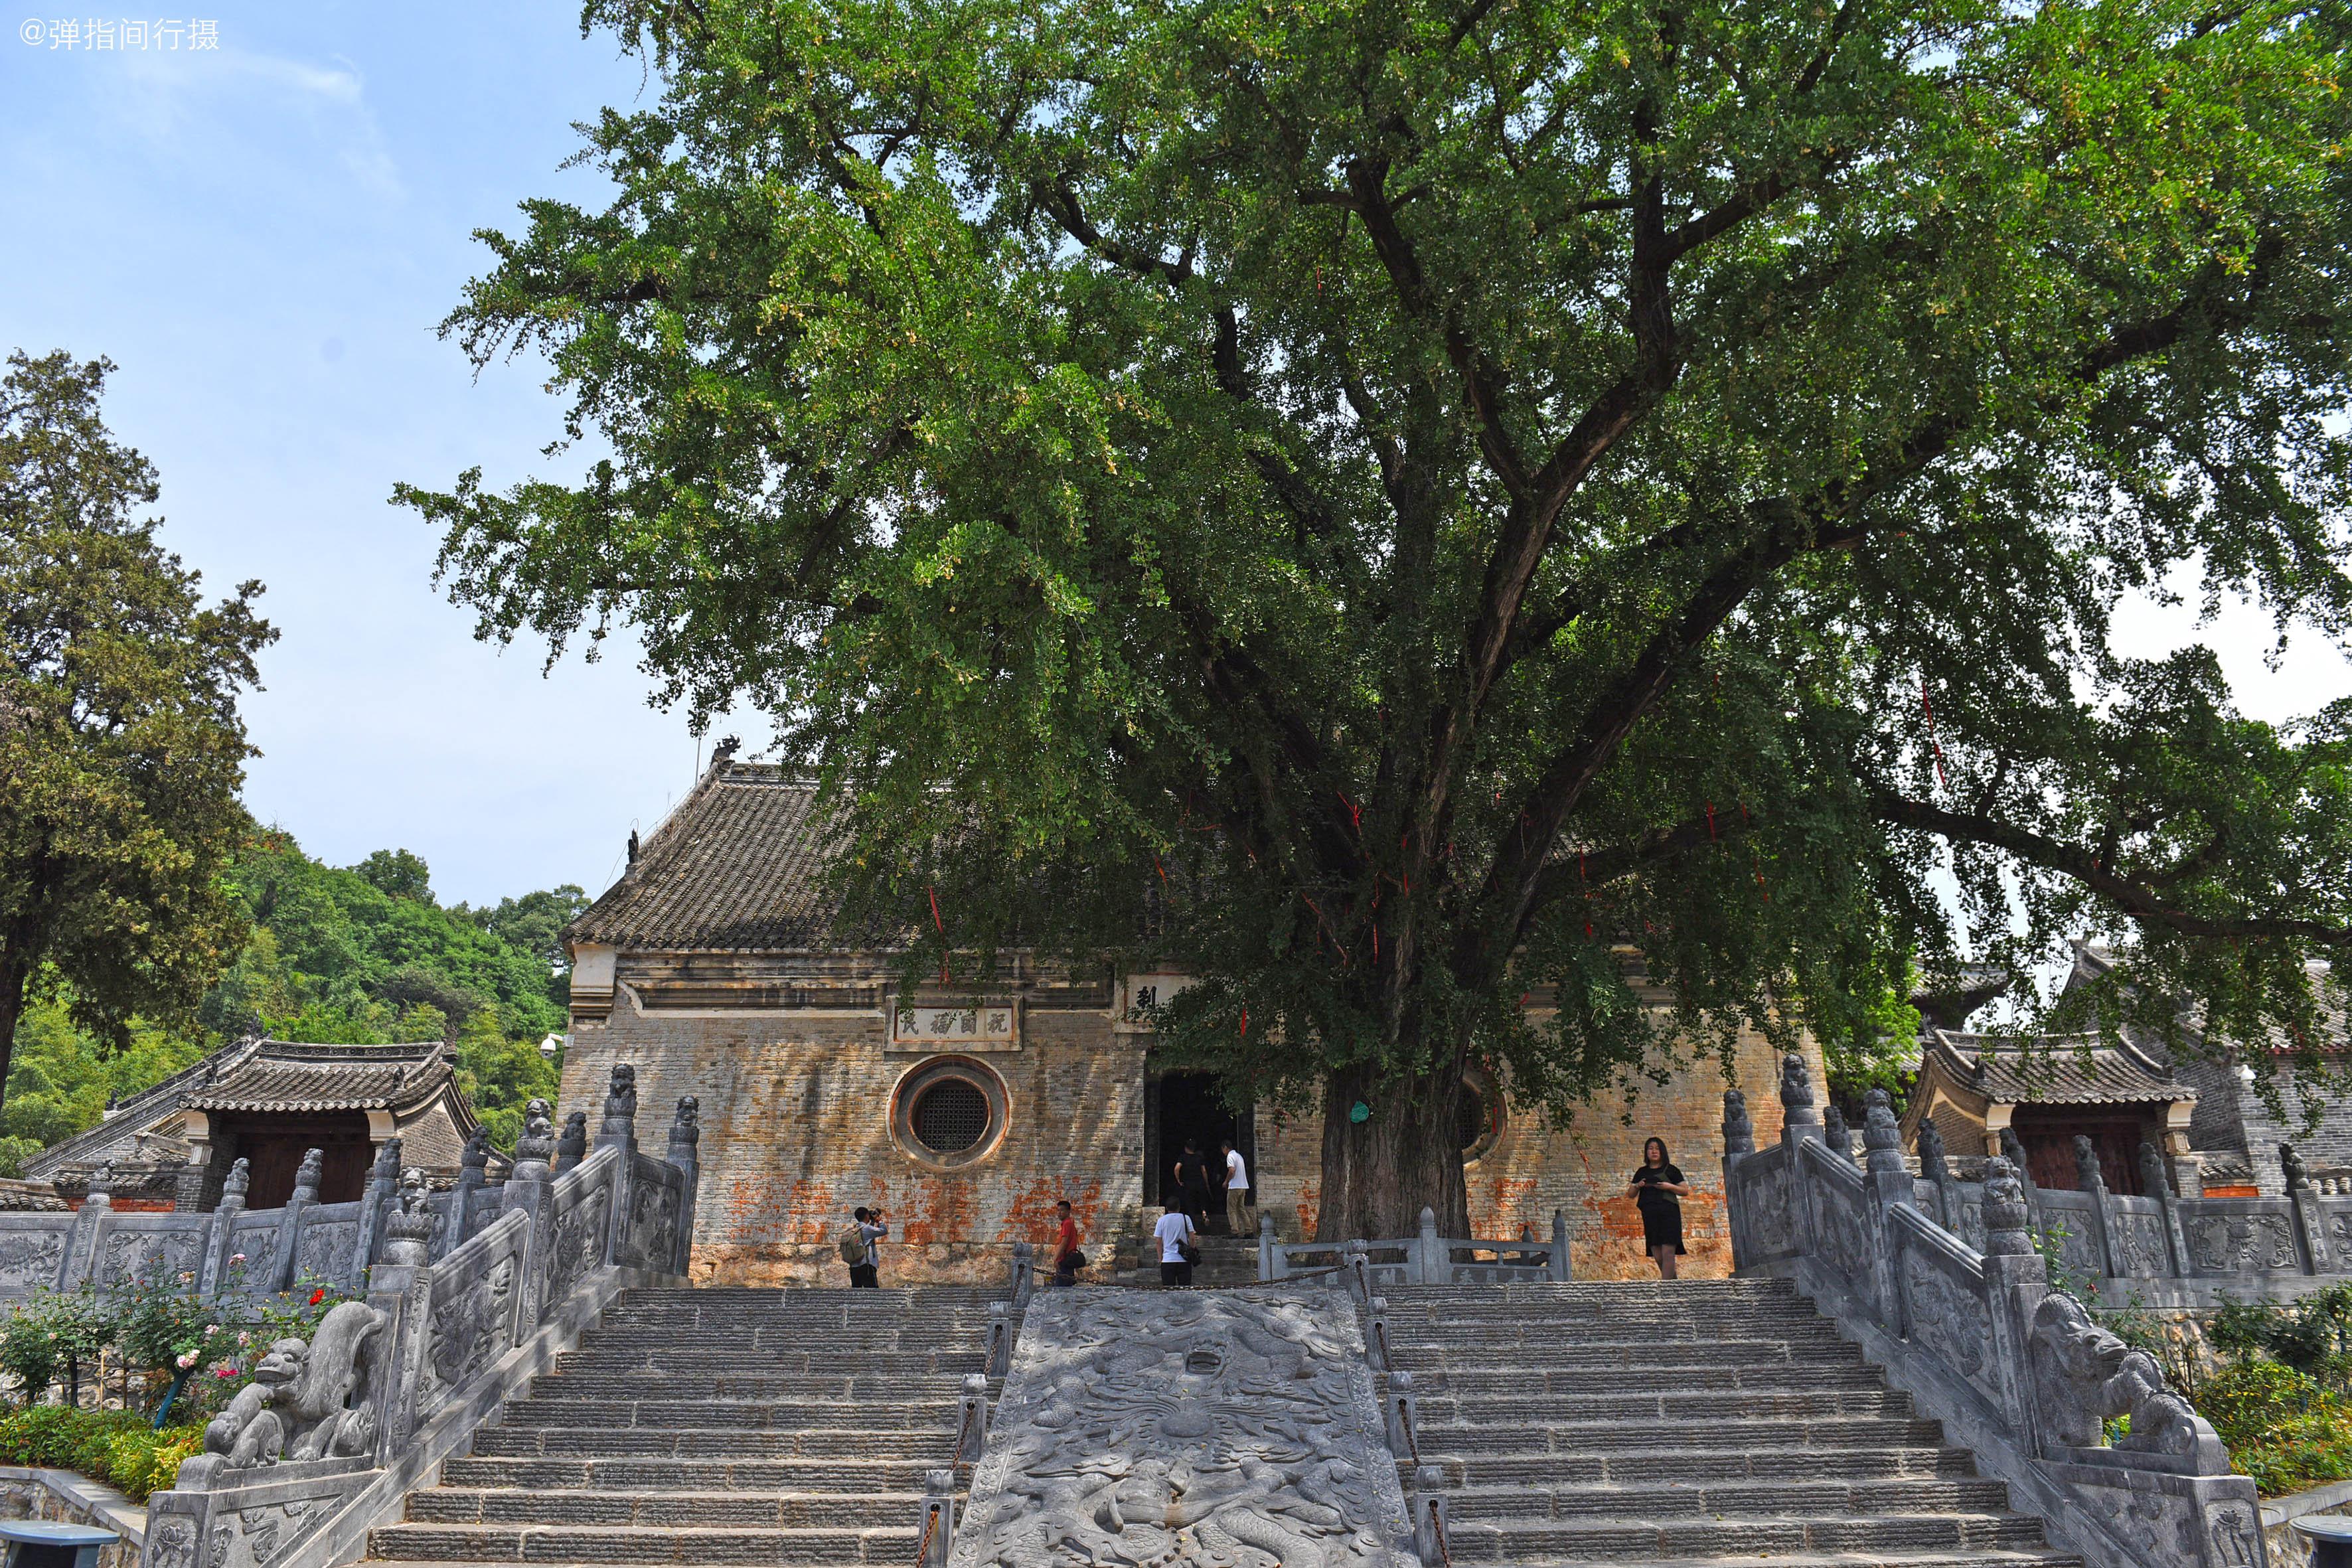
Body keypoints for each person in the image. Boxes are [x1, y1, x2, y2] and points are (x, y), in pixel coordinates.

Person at [1625, 1138, 1689, 1279]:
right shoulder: (1641, 1172)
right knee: (1658, 1255)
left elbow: (1685, 1191)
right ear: (1646, 1152)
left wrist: (1669, 1186)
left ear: (1663, 1151)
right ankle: (1674, 1283)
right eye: (1650, 1148)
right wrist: (1638, 1186)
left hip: (1669, 1214)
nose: (1654, 1151)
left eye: (1657, 1148)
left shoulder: (1672, 1170)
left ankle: (1666, 1288)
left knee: (1668, 1253)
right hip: (1650, 1216)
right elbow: (1631, 1194)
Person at [1153, 1200, 1198, 1288]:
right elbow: (1192, 1238)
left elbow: (1158, 1242)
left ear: (1167, 1208)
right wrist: (1192, 1252)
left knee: (1168, 1290)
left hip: (1168, 1259)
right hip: (1184, 1260)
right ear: (1179, 1207)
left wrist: (1160, 1259)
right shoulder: (1186, 1218)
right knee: (1185, 1289)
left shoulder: (1161, 1220)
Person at [845, 1206, 888, 1288]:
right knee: (873, 1293)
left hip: (854, 1267)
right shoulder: (867, 1229)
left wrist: (872, 1222)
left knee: (857, 1295)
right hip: (866, 1266)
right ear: (867, 1216)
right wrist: (879, 1220)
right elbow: (884, 1230)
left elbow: (869, 1233)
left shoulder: (853, 1229)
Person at [1174, 1139, 1212, 1231]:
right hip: (1200, 1183)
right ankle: (1204, 1213)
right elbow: (1204, 1171)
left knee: (1190, 1205)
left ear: (1186, 1148)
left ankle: (1193, 1228)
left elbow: (1176, 1168)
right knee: (1202, 1201)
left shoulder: (1183, 1157)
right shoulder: (1199, 1157)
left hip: (1188, 1184)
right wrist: (1206, 1183)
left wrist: (1178, 1180)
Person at [1221, 1139, 1256, 1238]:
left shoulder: (1230, 1156)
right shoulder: (1239, 1156)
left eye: (1223, 1149)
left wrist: (1226, 1182)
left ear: (1225, 1148)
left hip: (1235, 1186)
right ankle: (1249, 1230)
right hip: (1243, 1186)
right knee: (1241, 1209)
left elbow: (1232, 1170)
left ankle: (1235, 1231)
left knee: (1230, 1209)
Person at [1051, 1198, 1084, 1287]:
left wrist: (1055, 1259)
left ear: (1068, 1212)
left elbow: (1064, 1243)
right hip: (1068, 1260)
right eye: (1058, 1210)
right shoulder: (1069, 1223)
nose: (1059, 1213)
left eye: (1062, 1210)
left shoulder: (1067, 1224)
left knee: (1062, 1289)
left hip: (1065, 1260)